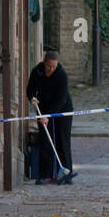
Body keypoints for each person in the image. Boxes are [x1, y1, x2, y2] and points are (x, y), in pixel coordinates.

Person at [26, 47, 76, 185]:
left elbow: (62, 99)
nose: (51, 69)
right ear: (44, 62)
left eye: (54, 66)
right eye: (49, 66)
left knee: (62, 139)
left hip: (62, 109)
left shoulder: (61, 75)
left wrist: (49, 116)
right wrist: (32, 98)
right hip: (43, 107)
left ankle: (66, 173)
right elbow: (30, 89)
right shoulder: (37, 71)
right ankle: (45, 174)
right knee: (46, 140)